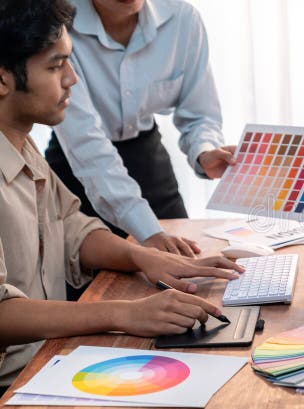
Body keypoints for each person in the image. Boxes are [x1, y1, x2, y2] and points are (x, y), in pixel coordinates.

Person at [0, 0, 244, 393]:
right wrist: (124, 313)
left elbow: (73, 229)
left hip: (49, 360)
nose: (73, 80)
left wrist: (147, 257)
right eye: (55, 66)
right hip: (19, 381)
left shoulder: (21, 147)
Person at [44, 0, 236, 258]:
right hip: (77, 167)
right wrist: (149, 232)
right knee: (92, 289)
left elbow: (200, 113)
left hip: (149, 159)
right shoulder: (59, 26)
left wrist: (204, 151)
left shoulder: (181, 19)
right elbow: (88, 146)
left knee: (188, 267)